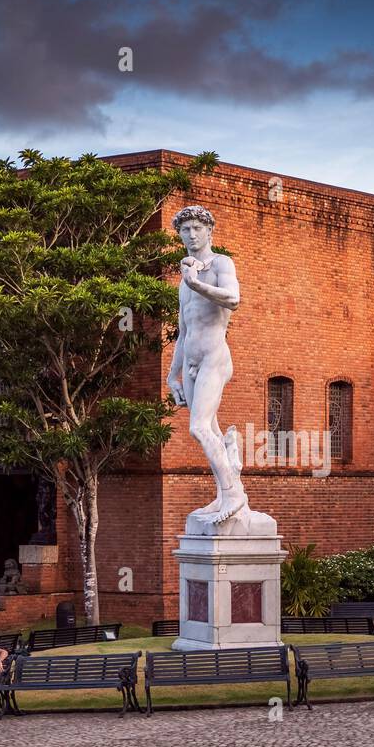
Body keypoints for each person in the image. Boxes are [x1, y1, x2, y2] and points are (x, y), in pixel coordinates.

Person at [164, 205, 246, 524]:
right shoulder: (185, 282)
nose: (191, 234)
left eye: (198, 228)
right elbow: (183, 333)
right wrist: (174, 376)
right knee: (209, 429)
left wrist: (197, 282)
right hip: (193, 362)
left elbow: (233, 299)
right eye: (185, 230)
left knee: (198, 427)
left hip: (215, 356)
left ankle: (233, 493)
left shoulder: (220, 264)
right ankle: (226, 488)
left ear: (209, 231)